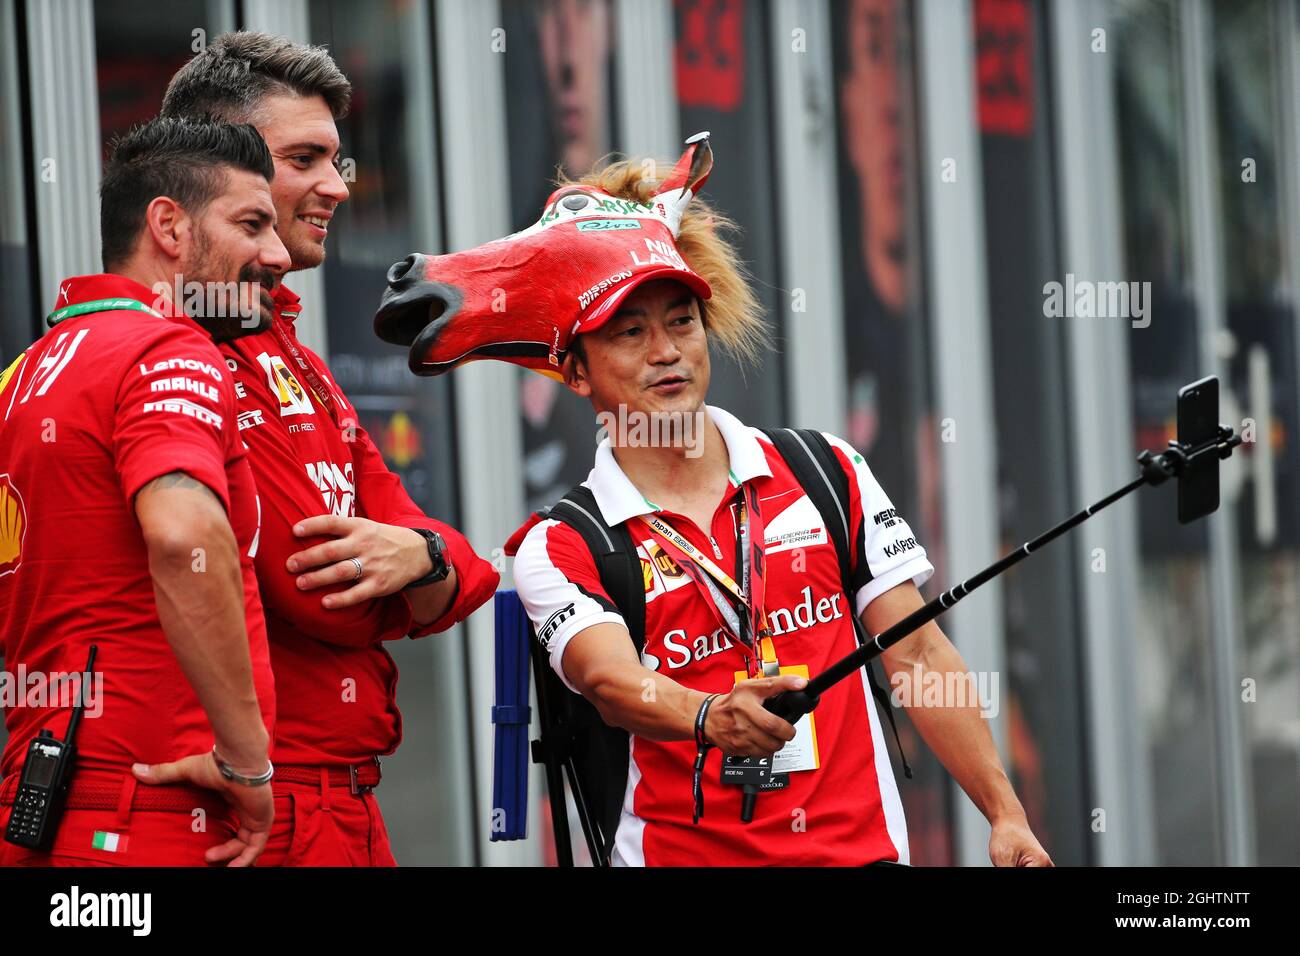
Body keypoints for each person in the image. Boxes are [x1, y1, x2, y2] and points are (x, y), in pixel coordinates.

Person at [376, 134, 1052, 866]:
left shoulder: (827, 468)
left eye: (681, 322)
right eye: (630, 332)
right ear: (575, 374)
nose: (666, 350)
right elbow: (609, 682)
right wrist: (707, 717)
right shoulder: (562, 543)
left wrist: (1004, 813)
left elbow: (917, 651)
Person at [159, 32, 500, 866]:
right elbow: (323, 591)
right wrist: (423, 571)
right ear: (218, 168)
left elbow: (461, 570)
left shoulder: (296, 357)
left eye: (338, 159)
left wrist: (419, 552)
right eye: (305, 157)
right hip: (250, 814)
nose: (336, 187)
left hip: (339, 801)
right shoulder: (180, 356)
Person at [0, 117, 290, 866]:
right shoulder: (165, 344)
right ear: (168, 225)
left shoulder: (24, 373)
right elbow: (185, 538)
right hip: (149, 807)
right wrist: (245, 760)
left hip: (38, 802)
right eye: (251, 224)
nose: (277, 254)